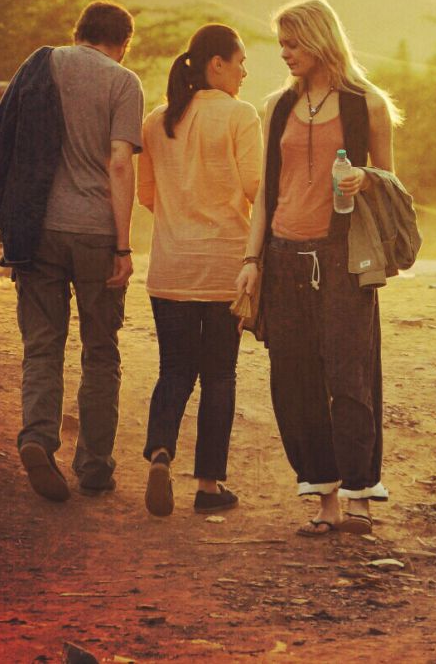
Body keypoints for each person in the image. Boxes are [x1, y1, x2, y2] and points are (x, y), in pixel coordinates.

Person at [235, 0, 402, 537]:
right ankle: (324, 500)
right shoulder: (275, 107)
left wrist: (365, 180)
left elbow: (391, 184)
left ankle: (359, 500)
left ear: (321, 40)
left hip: (341, 257)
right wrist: (251, 260)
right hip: (283, 256)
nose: (284, 53)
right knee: (294, 380)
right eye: (281, 44)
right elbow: (265, 194)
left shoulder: (367, 104)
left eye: (293, 43)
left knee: (350, 376)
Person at [0, 1, 144, 501]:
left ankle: (39, 438)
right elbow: (119, 165)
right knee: (100, 352)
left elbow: (9, 145)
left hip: (38, 230)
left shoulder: (40, 65)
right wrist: (124, 245)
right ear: (124, 42)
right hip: (95, 235)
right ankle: (93, 466)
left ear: (78, 32)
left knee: (43, 345)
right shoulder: (123, 83)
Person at [137, 25, 262, 517]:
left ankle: (161, 453)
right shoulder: (239, 115)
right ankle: (209, 486)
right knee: (220, 376)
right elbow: (255, 186)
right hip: (224, 268)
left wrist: (180, 217)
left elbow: (146, 195)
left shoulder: (156, 120)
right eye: (240, 61)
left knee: (173, 370)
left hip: (170, 269)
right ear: (216, 64)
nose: (245, 72)